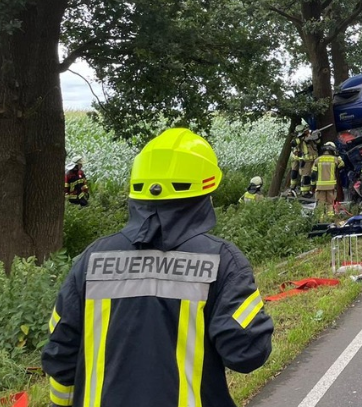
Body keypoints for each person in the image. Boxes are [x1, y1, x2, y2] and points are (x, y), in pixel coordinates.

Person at [42, 128, 273, 407]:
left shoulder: (91, 260)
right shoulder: (222, 262)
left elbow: (60, 354)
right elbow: (247, 353)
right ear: (206, 192)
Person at [314, 142, 345, 215]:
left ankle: (320, 220)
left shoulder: (318, 160)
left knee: (320, 204)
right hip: (331, 187)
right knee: (330, 204)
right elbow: (342, 165)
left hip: (320, 187)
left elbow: (313, 174)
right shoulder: (335, 159)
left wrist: (313, 185)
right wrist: (337, 156)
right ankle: (330, 219)